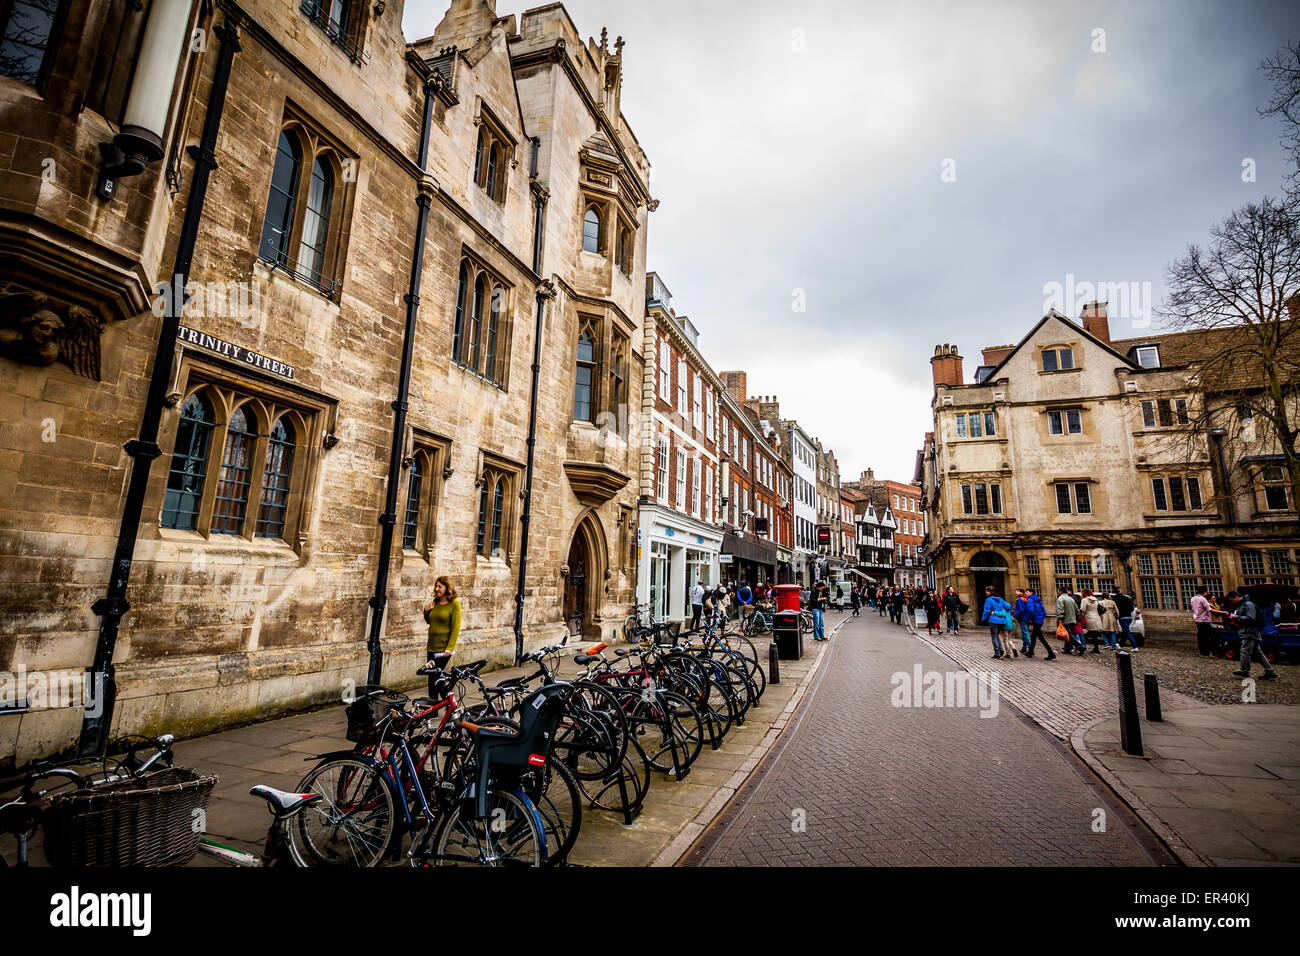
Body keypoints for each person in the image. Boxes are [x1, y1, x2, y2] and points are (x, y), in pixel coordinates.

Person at [422, 576, 461, 695]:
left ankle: (449, 704)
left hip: (443, 649)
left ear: (447, 588)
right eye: (436, 586)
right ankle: (433, 710)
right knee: (432, 678)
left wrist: (450, 647)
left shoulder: (454, 604)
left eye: (440, 586)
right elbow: (429, 621)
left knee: (437, 678)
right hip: (432, 647)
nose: (437, 589)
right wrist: (426, 610)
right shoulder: (436, 602)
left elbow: (455, 628)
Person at [1230, 590, 1278, 681]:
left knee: (1244, 651)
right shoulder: (1243, 604)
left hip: (1250, 631)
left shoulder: (1247, 604)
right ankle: (1270, 672)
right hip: (1250, 631)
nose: (1232, 603)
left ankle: (1244, 670)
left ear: (1236, 597)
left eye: (1232, 600)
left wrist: (1236, 617)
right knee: (1258, 652)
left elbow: (1251, 618)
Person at [1020, 585, 1055, 660]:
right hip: (1039, 620)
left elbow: (1031, 610)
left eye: (1027, 592)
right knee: (1033, 636)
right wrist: (1041, 617)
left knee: (1041, 638)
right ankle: (1030, 652)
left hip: (1036, 620)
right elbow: (1043, 611)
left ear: (1031, 592)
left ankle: (1051, 653)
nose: (1026, 593)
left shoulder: (1030, 600)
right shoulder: (1037, 599)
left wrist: (1028, 619)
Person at [981, 586, 1015, 659]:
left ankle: (997, 653)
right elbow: (1008, 607)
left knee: (994, 637)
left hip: (993, 620)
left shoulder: (988, 600)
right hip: (1002, 621)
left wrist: (983, 619)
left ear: (991, 592)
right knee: (996, 636)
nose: (986, 592)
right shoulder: (1000, 599)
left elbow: (987, 611)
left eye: (987, 591)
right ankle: (1001, 650)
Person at [1056, 586, 1081, 655]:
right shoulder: (1071, 599)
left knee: (1069, 634)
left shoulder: (1060, 599)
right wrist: (1077, 616)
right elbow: (1077, 609)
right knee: (1069, 634)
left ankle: (1079, 645)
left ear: (1060, 591)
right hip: (1073, 619)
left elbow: (1060, 609)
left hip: (1065, 619)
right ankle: (1068, 649)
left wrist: (1060, 618)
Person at [1191, 584, 1215, 656]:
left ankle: (1202, 652)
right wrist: (1222, 612)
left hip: (1197, 619)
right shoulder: (1202, 599)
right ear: (1204, 592)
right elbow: (1209, 609)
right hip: (1204, 620)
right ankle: (1206, 652)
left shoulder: (1193, 598)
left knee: (1200, 636)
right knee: (1206, 637)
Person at [1079, 588, 1103, 654]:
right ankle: (1096, 648)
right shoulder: (1095, 600)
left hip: (1089, 618)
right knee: (1094, 634)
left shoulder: (1084, 600)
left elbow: (1083, 609)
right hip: (1096, 617)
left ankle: (1083, 646)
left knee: (1087, 633)